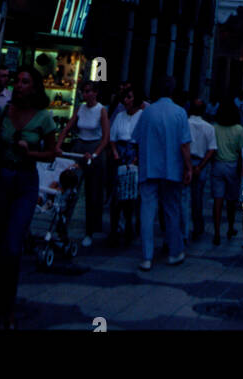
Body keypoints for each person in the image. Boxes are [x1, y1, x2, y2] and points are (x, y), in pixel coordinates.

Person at [0, 66, 56, 329]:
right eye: (17, 81)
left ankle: (8, 307)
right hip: (0, 179)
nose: (19, 85)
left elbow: (51, 153)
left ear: (36, 87)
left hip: (25, 182)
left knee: (13, 248)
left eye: (25, 82)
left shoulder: (43, 118)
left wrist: (30, 154)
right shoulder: (4, 111)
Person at [132, 74, 192, 271]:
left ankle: (146, 256)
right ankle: (175, 252)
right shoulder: (180, 113)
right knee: (172, 211)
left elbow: (136, 139)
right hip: (172, 169)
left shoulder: (147, 113)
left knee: (147, 212)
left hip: (149, 168)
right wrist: (189, 167)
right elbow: (184, 145)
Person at [56, 80, 113, 247]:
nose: (86, 94)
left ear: (95, 93)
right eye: (84, 91)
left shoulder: (101, 110)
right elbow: (68, 127)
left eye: (89, 91)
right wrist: (58, 144)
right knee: (70, 187)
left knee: (93, 192)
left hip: (94, 148)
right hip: (79, 146)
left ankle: (90, 231)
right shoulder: (80, 108)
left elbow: (105, 137)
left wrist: (95, 154)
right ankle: (61, 229)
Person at [110, 83, 145, 245]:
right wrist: (116, 154)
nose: (126, 100)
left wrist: (136, 158)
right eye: (125, 97)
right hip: (120, 155)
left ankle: (131, 226)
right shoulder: (119, 116)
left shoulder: (142, 116)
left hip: (135, 155)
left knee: (132, 195)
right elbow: (112, 138)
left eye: (129, 97)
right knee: (117, 195)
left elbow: (144, 140)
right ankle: (115, 227)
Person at [211, 99, 243, 245]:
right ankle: (230, 227)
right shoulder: (238, 129)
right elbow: (241, 151)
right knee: (231, 200)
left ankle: (217, 232)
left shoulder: (215, 127)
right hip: (232, 165)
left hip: (217, 164)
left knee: (217, 201)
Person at [184, 98, 216, 241]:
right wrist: (201, 166)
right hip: (201, 163)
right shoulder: (209, 127)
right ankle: (197, 226)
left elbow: (182, 145)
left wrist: (189, 166)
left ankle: (183, 226)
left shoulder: (185, 124)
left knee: (184, 197)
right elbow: (211, 149)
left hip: (187, 161)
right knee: (198, 197)